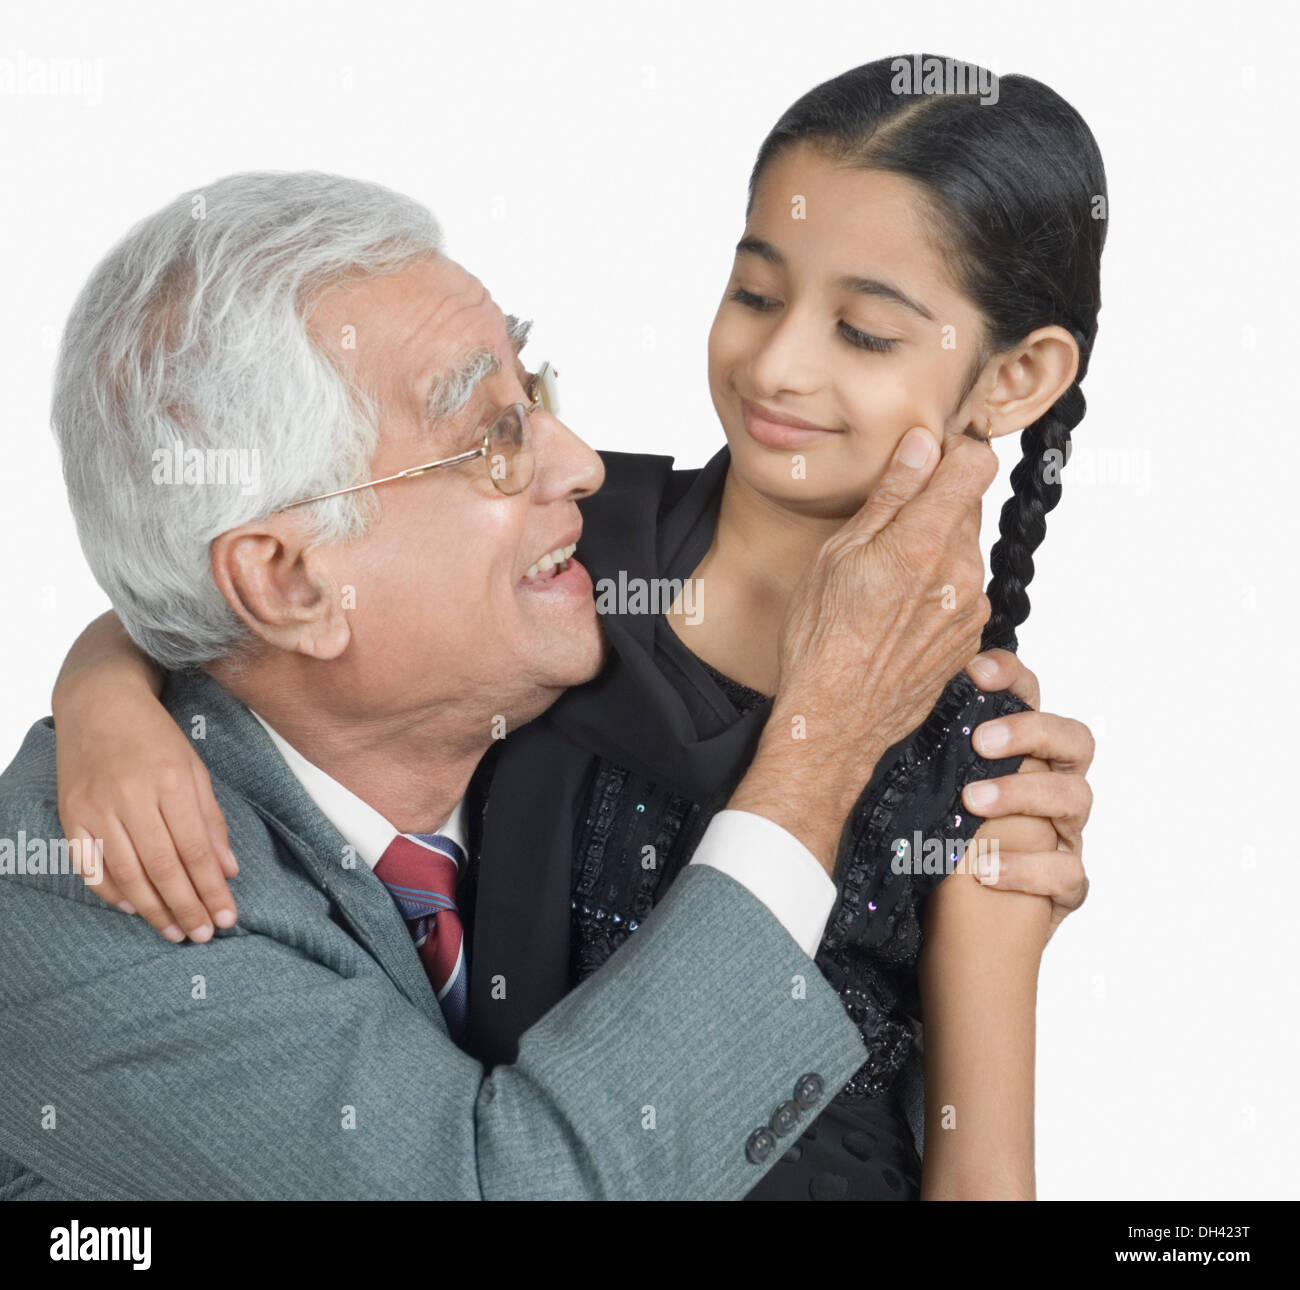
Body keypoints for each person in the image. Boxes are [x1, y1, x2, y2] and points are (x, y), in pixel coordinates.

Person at [45, 56, 1100, 1200]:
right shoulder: (576, 566)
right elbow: (245, 577)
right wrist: (102, 693)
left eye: (864, 330)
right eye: (753, 296)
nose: (781, 362)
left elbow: (979, 1161)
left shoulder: (973, 756)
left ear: (1017, 377)